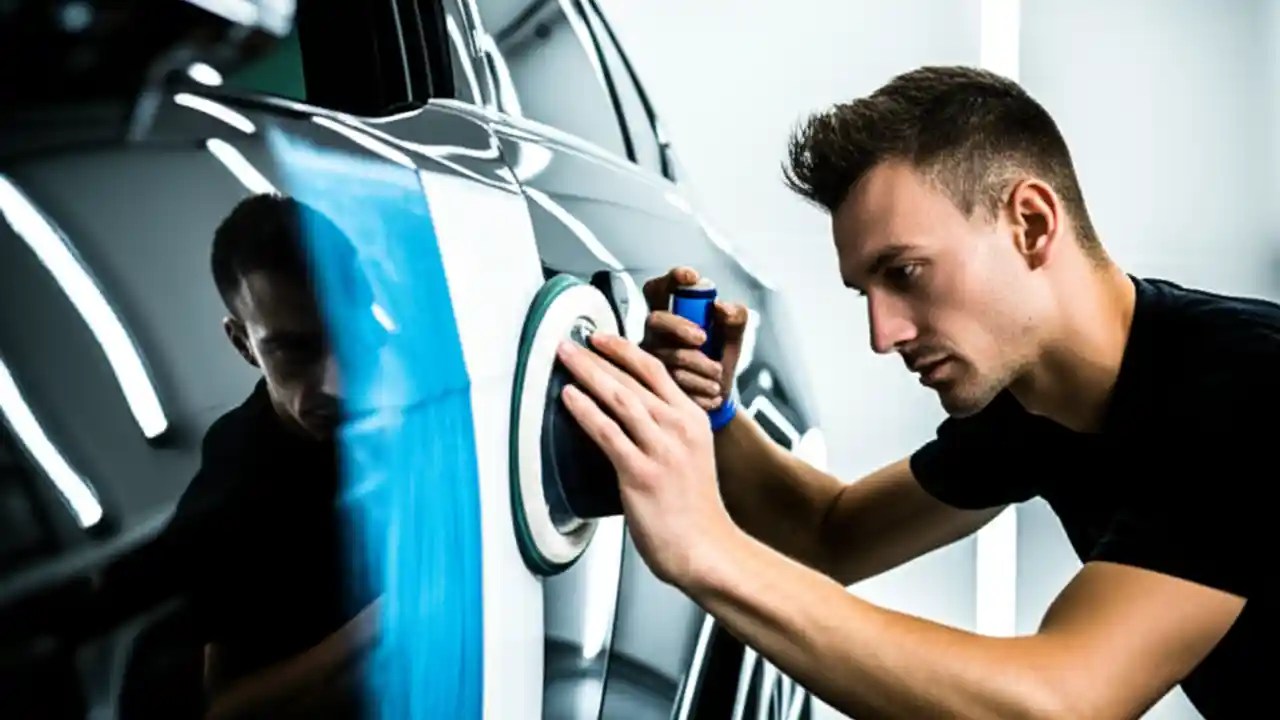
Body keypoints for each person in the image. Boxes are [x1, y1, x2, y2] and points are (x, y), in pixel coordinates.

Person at [554, 66, 1266, 719]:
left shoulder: (1243, 384)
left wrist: (704, 551)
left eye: (907, 273)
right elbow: (829, 533)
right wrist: (714, 412)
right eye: (866, 291)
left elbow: (1059, 703)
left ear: (1031, 224)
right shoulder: (1035, 405)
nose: (883, 334)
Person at [164, 193, 382, 719]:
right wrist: (397, 617)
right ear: (244, 344)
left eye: (348, 336)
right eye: (294, 349)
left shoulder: (413, 380)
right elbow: (226, 709)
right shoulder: (232, 494)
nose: (337, 382)